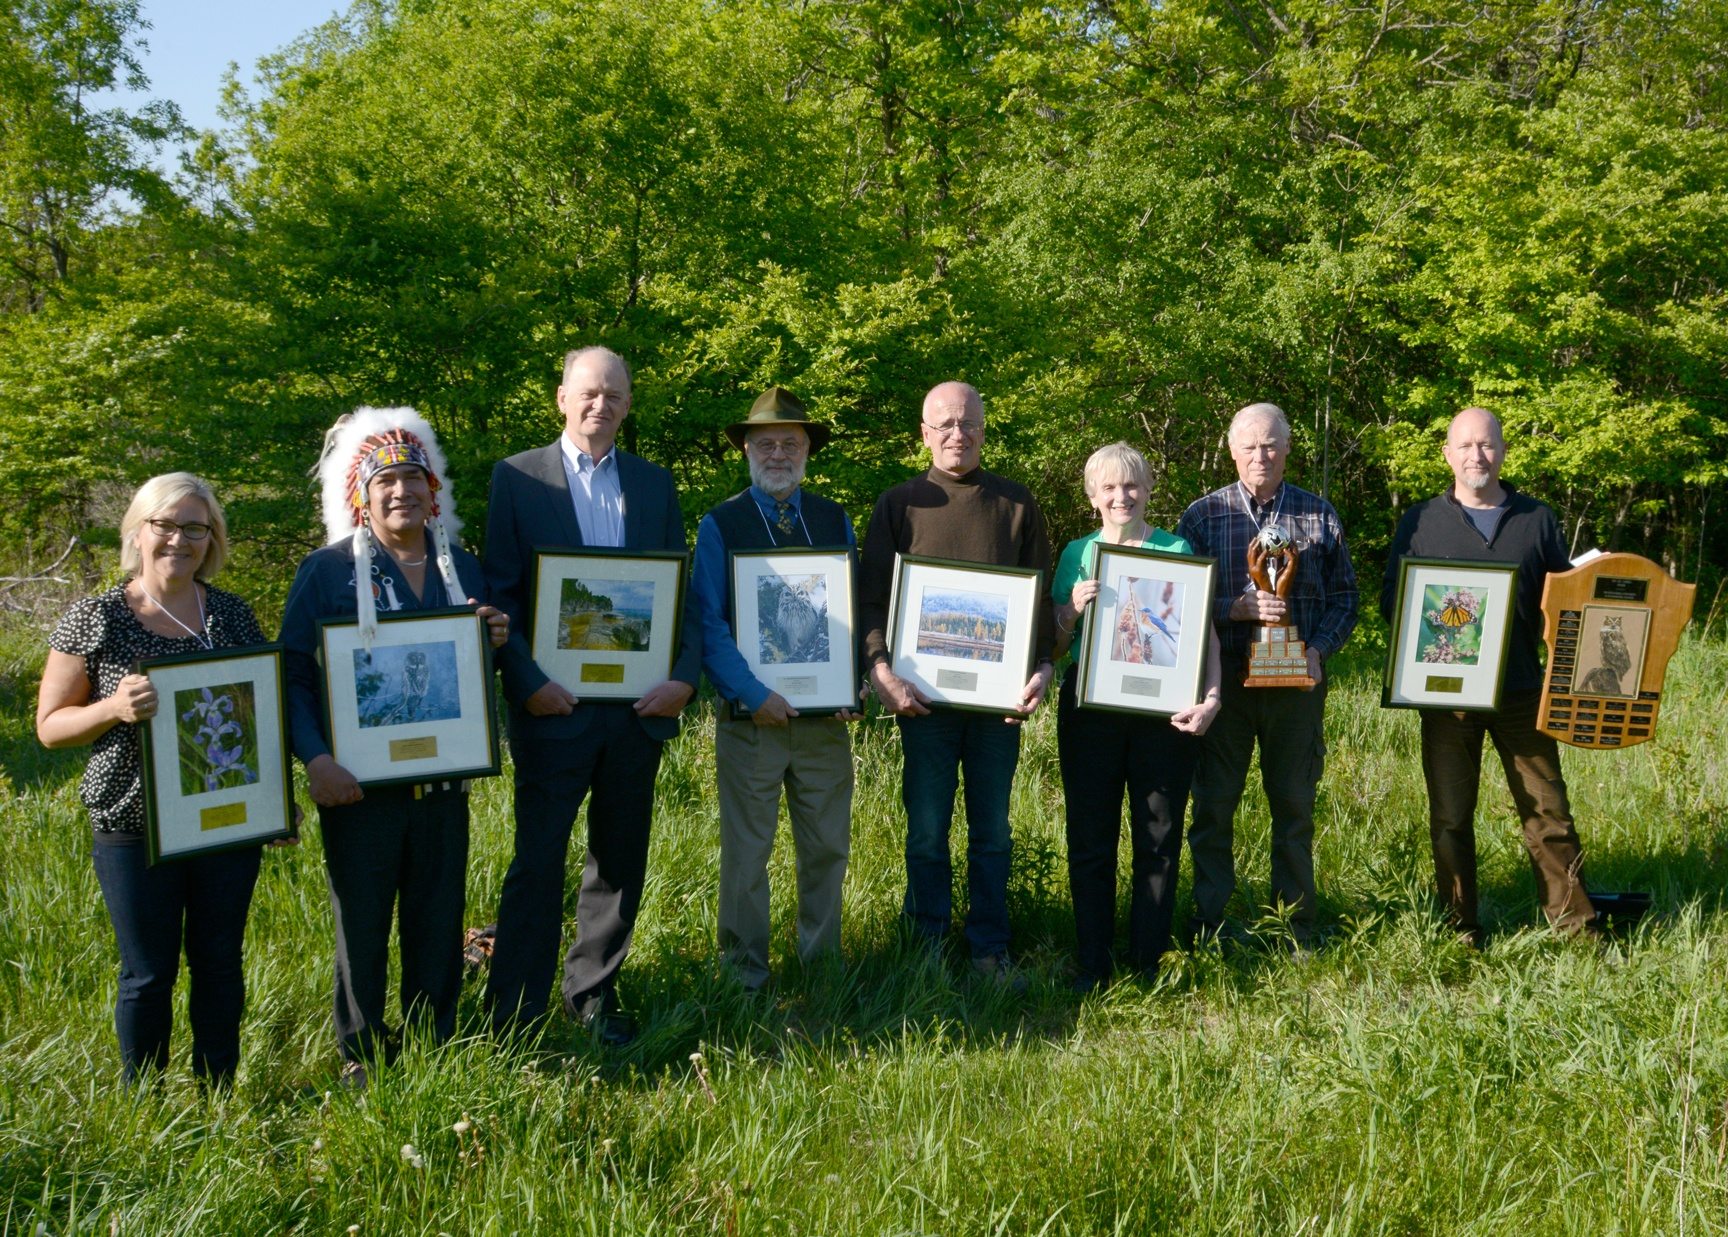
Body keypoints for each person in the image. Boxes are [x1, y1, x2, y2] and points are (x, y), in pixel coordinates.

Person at [280, 407, 508, 1085]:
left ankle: (434, 1038)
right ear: (363, 492)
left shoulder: (461, 567)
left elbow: (471, 668)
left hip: (442, 779)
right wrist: (315, 757)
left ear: (432, 488)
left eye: (414, 477)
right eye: (387, 482)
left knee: (438, 915)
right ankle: (361, 1051)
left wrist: (493, 640)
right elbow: (291, 672)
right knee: (364, 919)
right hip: (359, 786)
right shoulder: (325, 572)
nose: (402, 490)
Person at [483, 346, 701, 1047]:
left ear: (628, 404)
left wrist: (684, 679)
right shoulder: (517, 479)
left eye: (613, 394)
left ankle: (592, 994)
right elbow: (500, 597)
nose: (599, 404)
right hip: (554, 708)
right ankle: (512, 1009)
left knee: (620, 858)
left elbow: (681, 597)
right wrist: (528, 683)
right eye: (587, 392)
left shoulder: (654, 484)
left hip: (636, 714)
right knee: (537, 860)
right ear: (561, 397)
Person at [37, 473, 272, 1086]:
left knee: (220, 963)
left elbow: (259, 716)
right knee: (147, 972)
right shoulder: (96, 617)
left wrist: (273, 803)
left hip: (224, 823)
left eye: (195, 527)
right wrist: (111, 709)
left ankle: (217, 1093)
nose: (179, 539)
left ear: (211, 539)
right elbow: (50, 727)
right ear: (138, 532)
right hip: (131, 824)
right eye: (164, 525)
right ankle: (144, 1104)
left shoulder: (232, 616)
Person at [858, 381, 1056, 984]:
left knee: (992, 832)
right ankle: (924, 951)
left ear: (984, 430)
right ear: (923, 432)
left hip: (999, 706)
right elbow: (870, 602)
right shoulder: (900, 504)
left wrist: (1043, 669)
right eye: (944, 424)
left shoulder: (1017, 503)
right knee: (925, 830)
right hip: (922, 703)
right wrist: (880, 670)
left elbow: (1041, 602)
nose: (957, 434)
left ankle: (989, 950)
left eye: (968, 423)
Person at [1380, 407, 1595, 942]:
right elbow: (1393, 601)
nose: (1478, 455)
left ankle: (1575, 926)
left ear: (1502, 451)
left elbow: (1563, 602)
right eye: (1467, 445)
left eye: (1488, 445)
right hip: (1448, 697)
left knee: (1549, 813)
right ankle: (1461, 928)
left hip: (1523, 691)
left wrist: (1597, 577)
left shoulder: (1537, 517)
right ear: (1448, 454)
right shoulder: (1421, 520)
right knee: (1451, 816)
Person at [690, 386, 858, 990]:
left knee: (826, 849)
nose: (779, 453)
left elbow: (848, 614)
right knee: (746, 856)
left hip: (822, 724)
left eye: (791, 442)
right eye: (767, 443)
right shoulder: (722, 523)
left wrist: (849, 686)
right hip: (750, 721)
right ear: (747, 451)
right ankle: (744, 977)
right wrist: (751, 693)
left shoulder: (832, 519)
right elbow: (706, 622)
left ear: (808, 448)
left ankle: (822, 970)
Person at [1175, 402, 1358, 944]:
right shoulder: (1204, 516)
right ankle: (1210, 925)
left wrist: (1319, 652)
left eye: (1271, 444)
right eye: (1250, 445)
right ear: (1232, 450)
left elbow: (1346, 598)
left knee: (1295, 807)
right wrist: (1233, 609)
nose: (1261, 454)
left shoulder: (1318, 514)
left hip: (1296, 684)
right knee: (1213, 808)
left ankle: (1296, 927)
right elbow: (1179, 605)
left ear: (1287, 448)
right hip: (1224, 683)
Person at [1052, 443, 1222, 991]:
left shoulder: (1176, 547)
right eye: (1109, 487)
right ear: (1092, 496)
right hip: (1090, 708)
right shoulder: (1076, 553)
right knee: (1090, 836)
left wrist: (1212, 698)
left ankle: (1149, 960)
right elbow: (1053, 644)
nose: (1121, 496)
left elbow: (1203, 632)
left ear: (1148, 489)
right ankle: (1093, 963)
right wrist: (1072, 608)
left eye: (1132, 485)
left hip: (1162, 712)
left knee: (1158, 835)